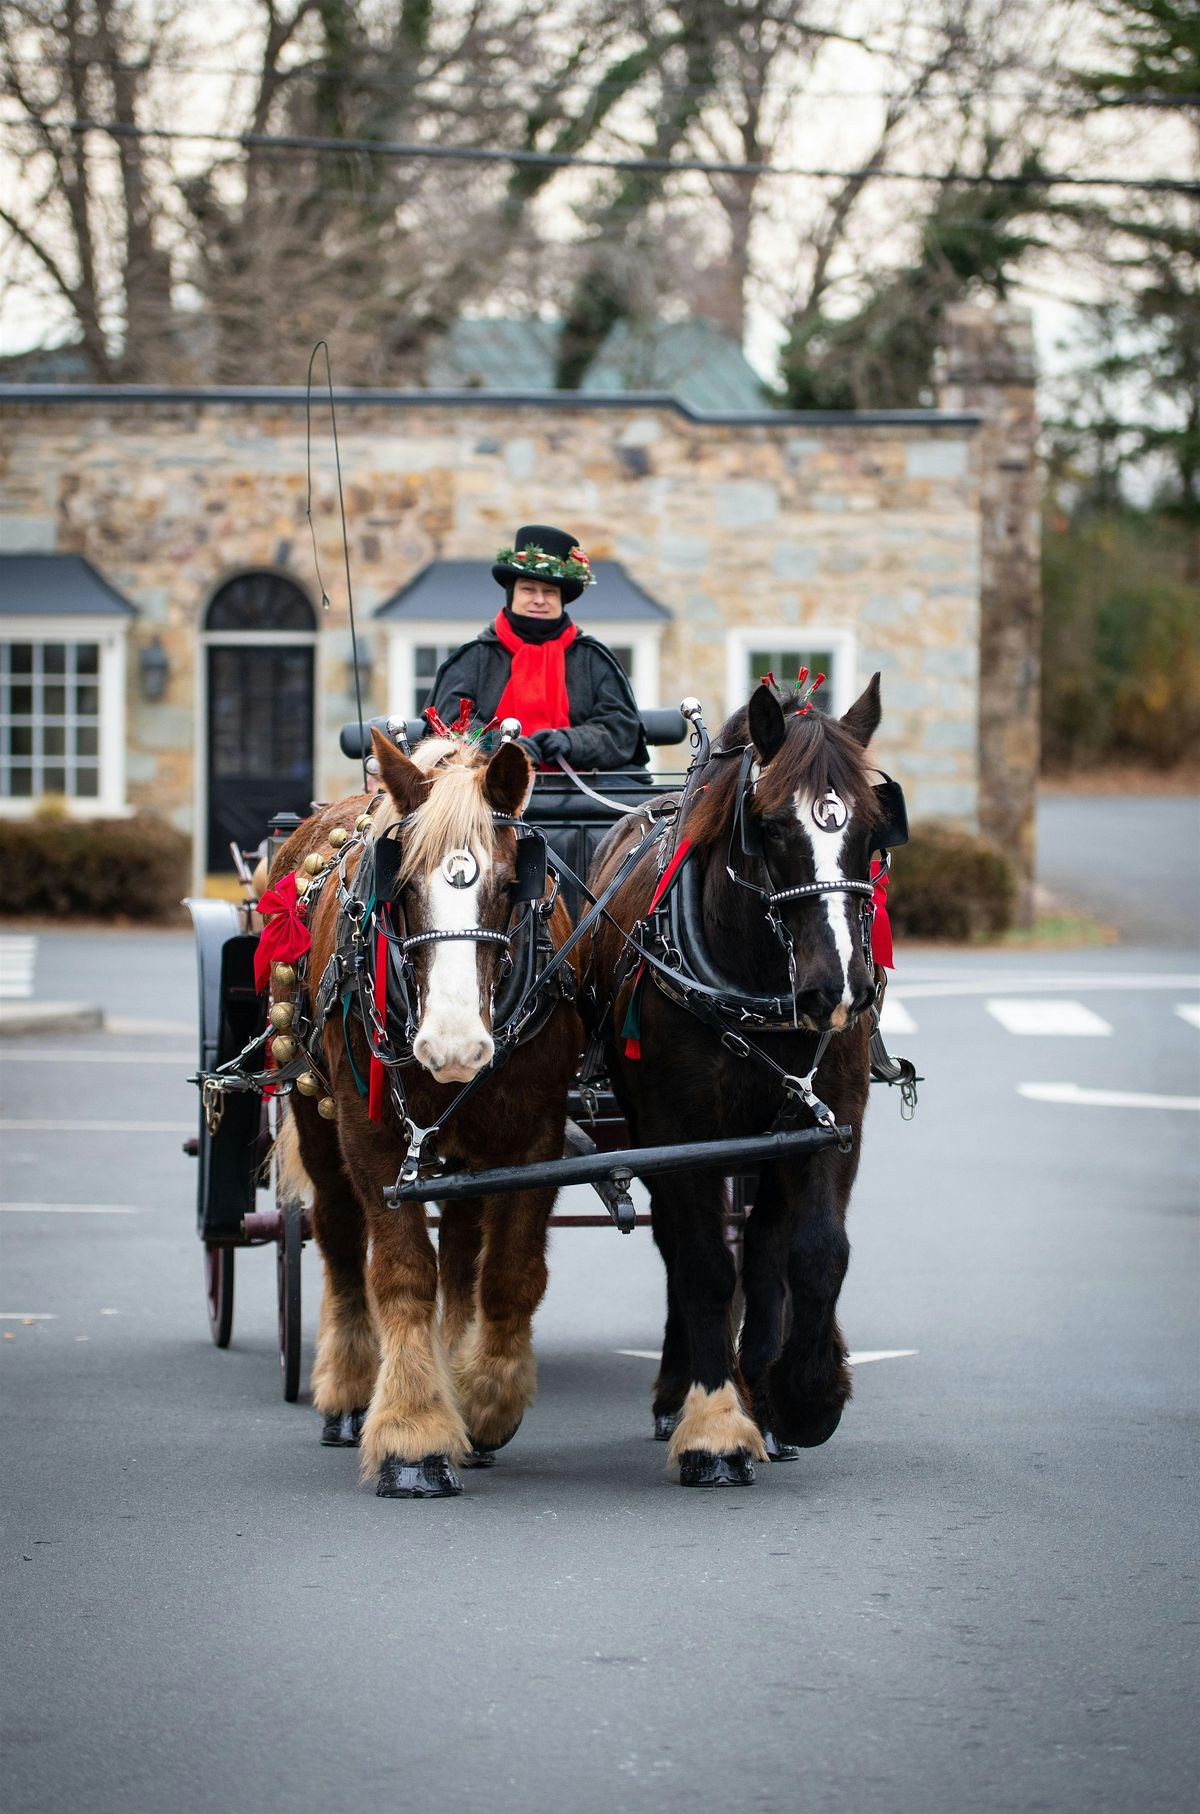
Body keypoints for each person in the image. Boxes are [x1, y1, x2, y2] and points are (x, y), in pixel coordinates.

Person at [423, 524, 649, 771]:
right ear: (512, 594)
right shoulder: (472, 659)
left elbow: (619, 730)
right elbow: (450, 725)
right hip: (484, 793)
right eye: (528, 589)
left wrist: (569, 742)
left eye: (550, 592)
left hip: (581, 794)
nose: (539, 600)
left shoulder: (593, 660)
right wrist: (505, 746)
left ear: (561, 599)